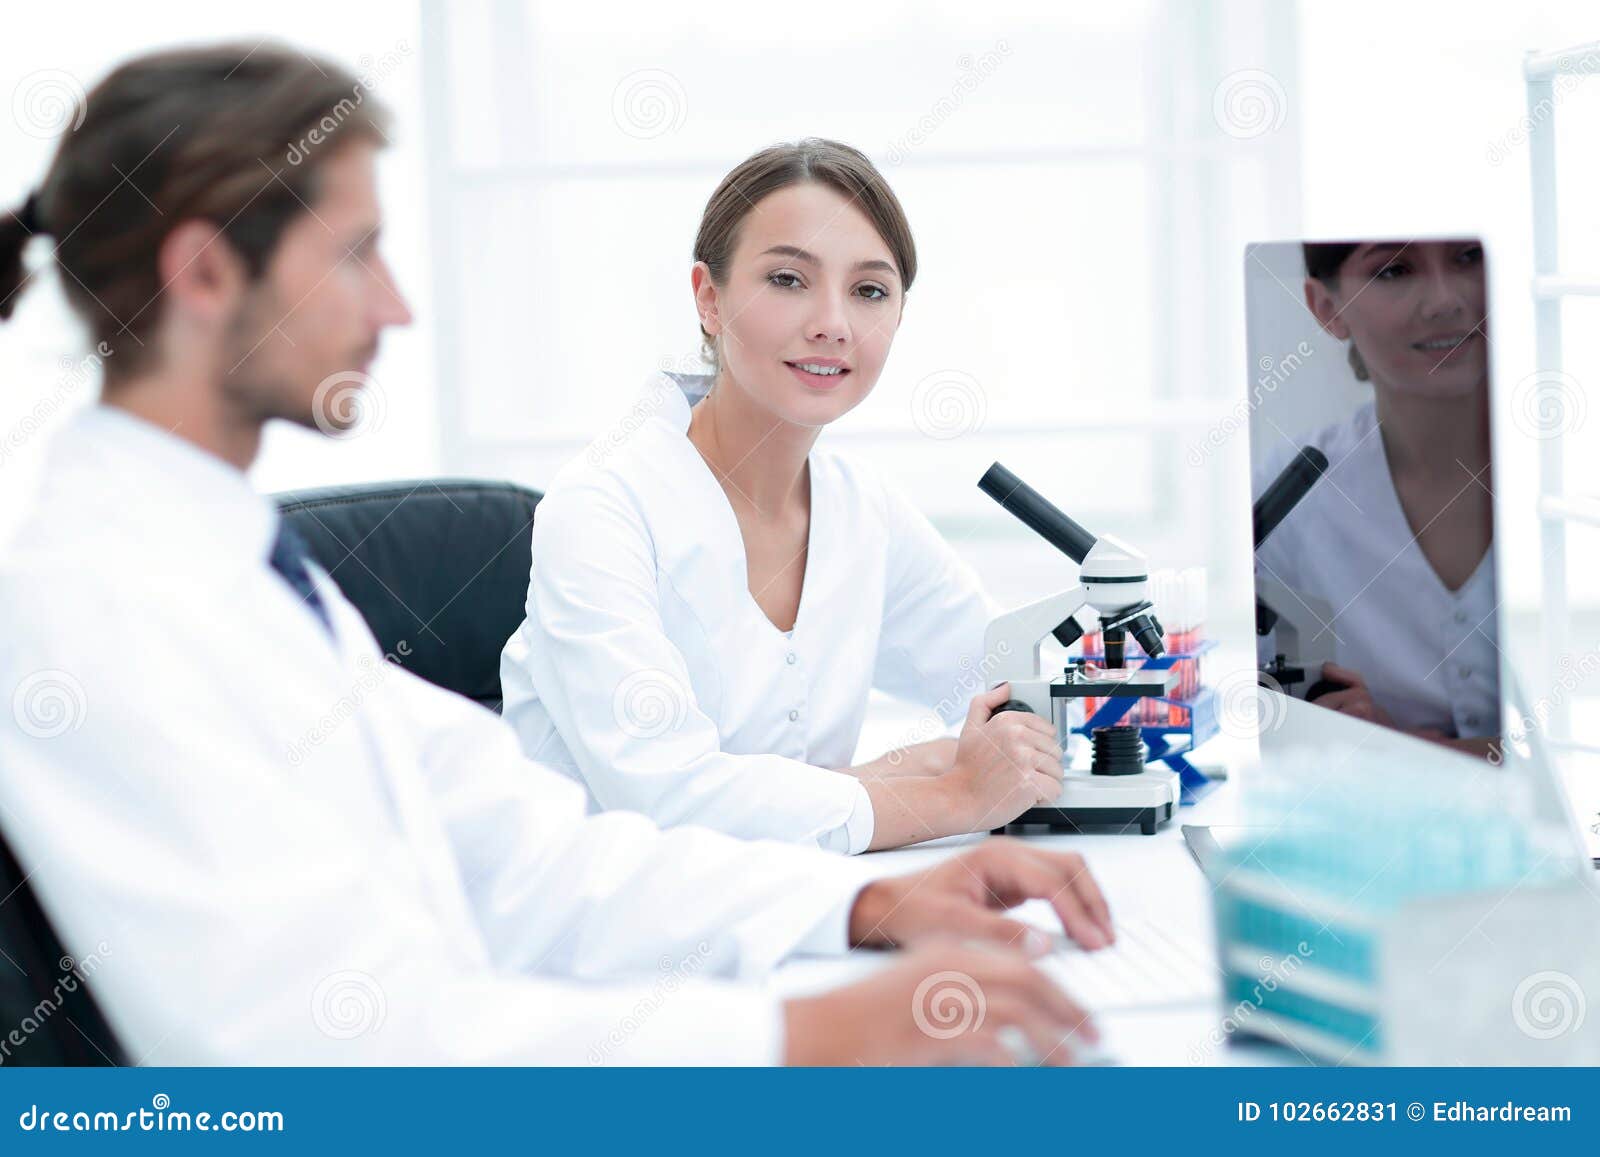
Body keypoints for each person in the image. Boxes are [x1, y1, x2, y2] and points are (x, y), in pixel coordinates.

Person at [0, 43, 1115, 1066]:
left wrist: (864, 907)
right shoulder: (98, 607)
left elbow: (538, 855)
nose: (394, 305)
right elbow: (323, 1042)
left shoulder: (232, 566)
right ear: (203, 273)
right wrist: (802, 1030)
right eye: (354, 253)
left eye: (869, 289)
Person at [500, 140, 1063, 853]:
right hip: (599, 936)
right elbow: (669, 800)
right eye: (789, 279)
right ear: (709, 298)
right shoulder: (601, 507)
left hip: (802, 911)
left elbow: (1005, 676)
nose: (833, 321)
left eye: (869, 290)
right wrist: (946, 793)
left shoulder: (862, 508)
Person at [1253, 239, 1499, 758]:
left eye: (1468, 258)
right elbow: (1277, 732)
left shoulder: (1574, 479)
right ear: (1327, 307)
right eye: (1393, 270)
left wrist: (1401, 749)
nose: (1444, 301)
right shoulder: (1290, 491)